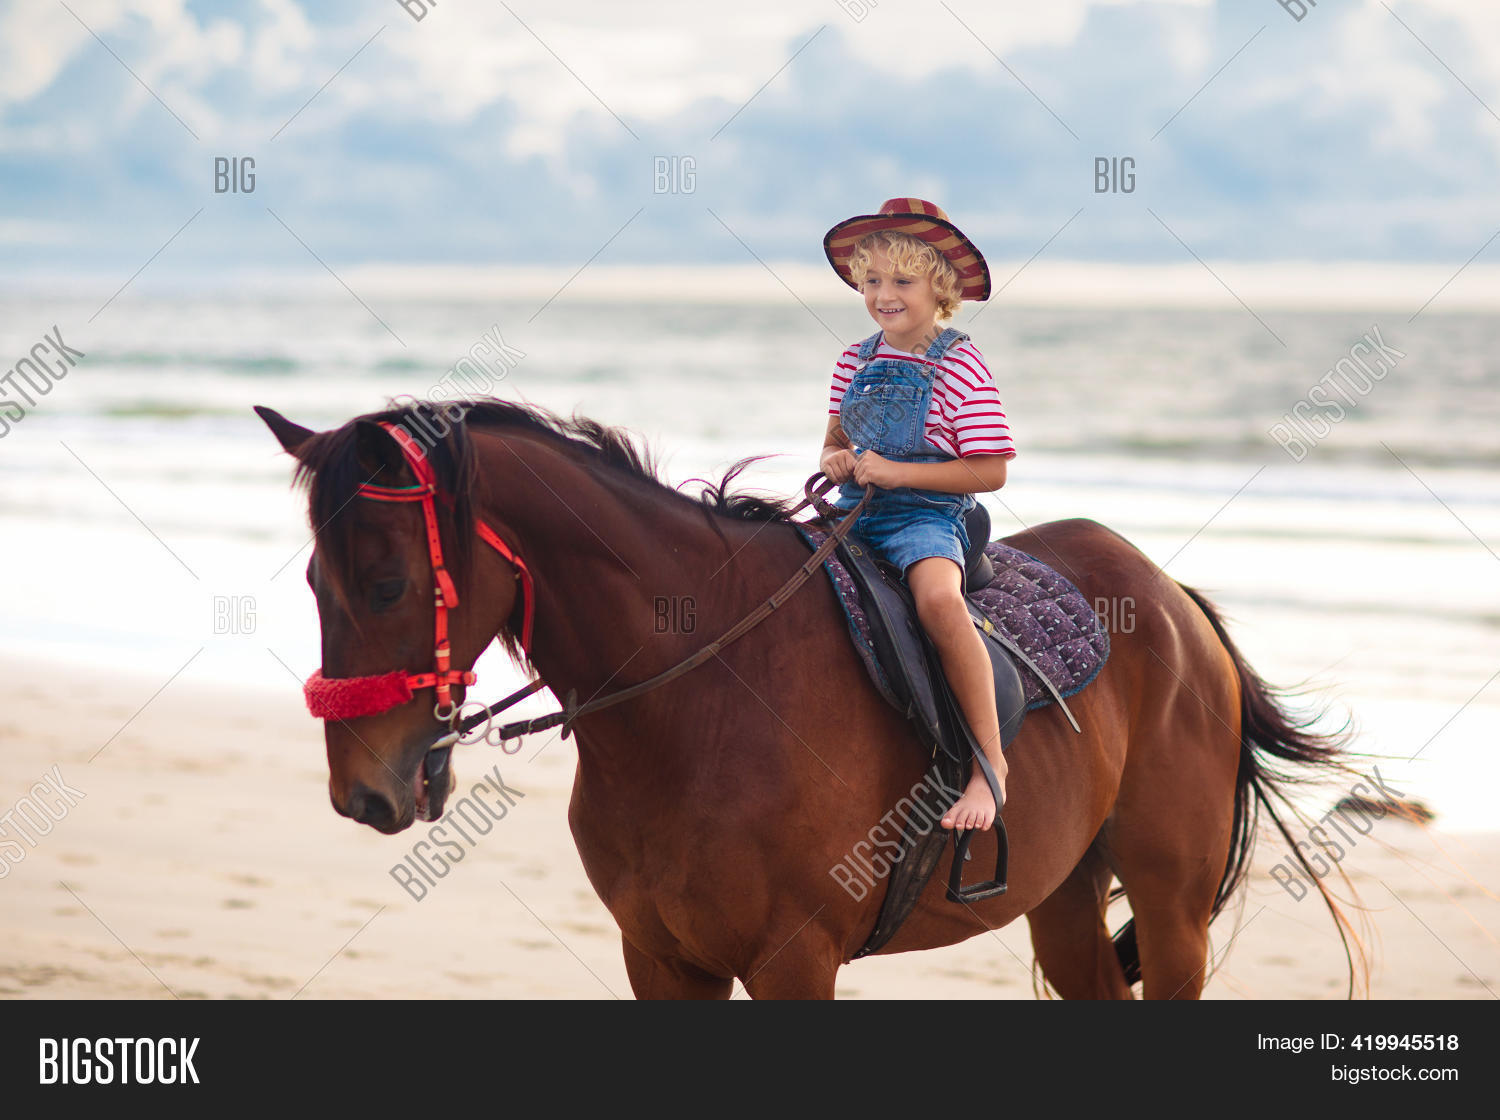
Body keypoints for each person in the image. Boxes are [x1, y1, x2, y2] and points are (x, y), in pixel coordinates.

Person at [818, 198, 1016, 831]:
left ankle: (989, 766)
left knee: (937, 601)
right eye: (872, 280)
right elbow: (832, 439)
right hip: (854, 511)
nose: (884, 294)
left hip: (926, 517)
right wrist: (835, 461)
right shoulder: (854, 359)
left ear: (940, 287)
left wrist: (899, 472)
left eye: (901, 281)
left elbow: (991, 469)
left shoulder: (960, 365)